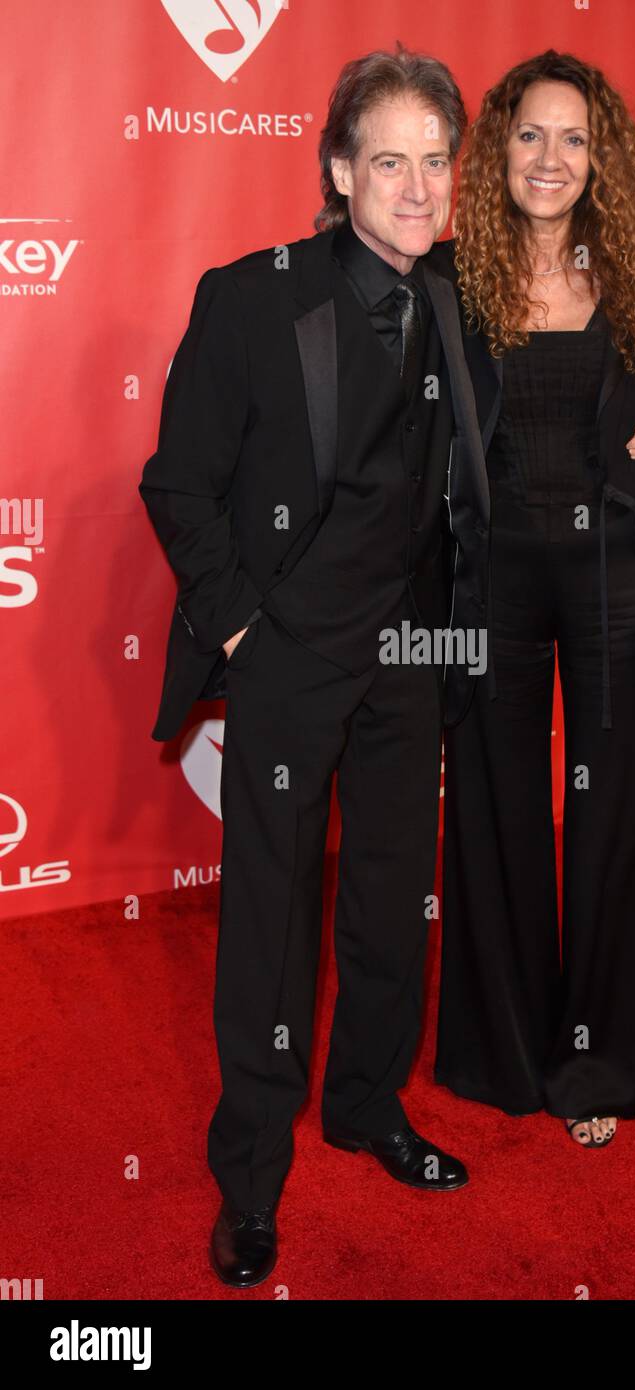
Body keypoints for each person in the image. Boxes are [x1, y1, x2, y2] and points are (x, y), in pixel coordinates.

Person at [139, 45, 493, 1288]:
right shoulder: (252, 298)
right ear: (340, 168)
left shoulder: (455, 297)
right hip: (290, 651)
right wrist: (243, 631)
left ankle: (366, 1107)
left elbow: (462, 487)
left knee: (393, 903)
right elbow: (176, 484)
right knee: (270, 924)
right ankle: (249, 1177)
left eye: (435, 161)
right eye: (387, 160)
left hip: (409, 651)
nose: (414, 186)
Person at [431, 50, 635, 1150]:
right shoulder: (448, 280)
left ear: (600, 157)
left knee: (616, 822)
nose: (550, 158)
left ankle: (598, 1061)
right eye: (530, 133)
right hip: (491, 580)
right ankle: (506, 1052)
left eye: (574, 138)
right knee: (493, 808)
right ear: (499, 150)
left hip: (618, 576)